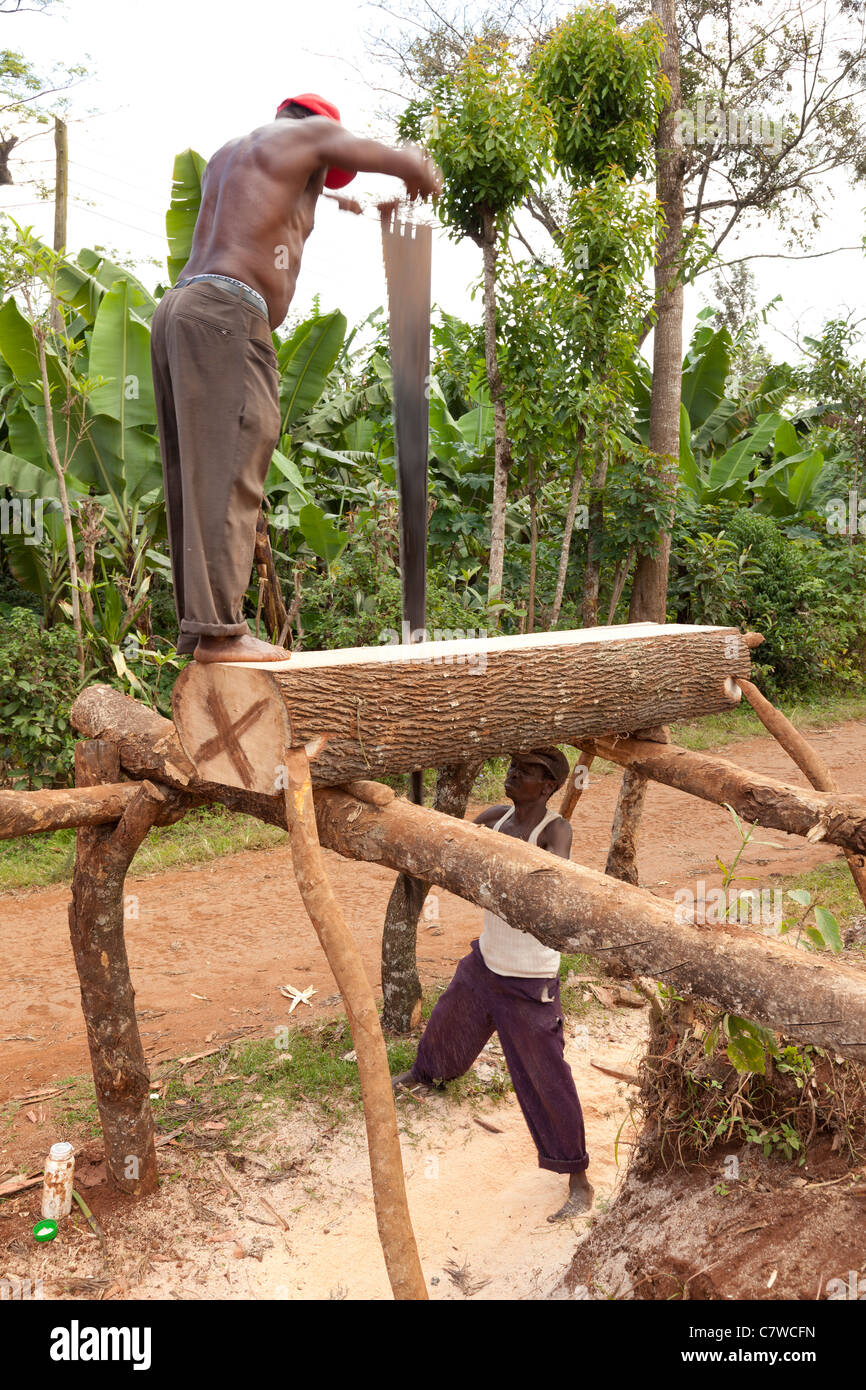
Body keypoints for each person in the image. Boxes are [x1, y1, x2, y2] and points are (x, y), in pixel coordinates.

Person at [150, 93, 441, 664]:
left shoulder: (231, 155)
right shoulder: (310, 135)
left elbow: (275, 199)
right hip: (228, 318)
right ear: (319, 126)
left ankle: (203, 631)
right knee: (237, 458)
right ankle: (219, 635)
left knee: (196, 473)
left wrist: (347, 201)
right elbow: (409, 162)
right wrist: (418, 176)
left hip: (181, 310)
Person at [392, 747, 594, 1221]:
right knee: (447, 1023)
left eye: (525, 772)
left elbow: (551, 882)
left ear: (547, 787)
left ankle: (578, 1178)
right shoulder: (496, 817)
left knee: (545, 1076)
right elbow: (450, 840)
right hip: (487, 962)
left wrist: (493, 867)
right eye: (512, 767)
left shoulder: (554, 830)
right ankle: (429, 1077)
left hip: (529, 980)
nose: (513, 774)